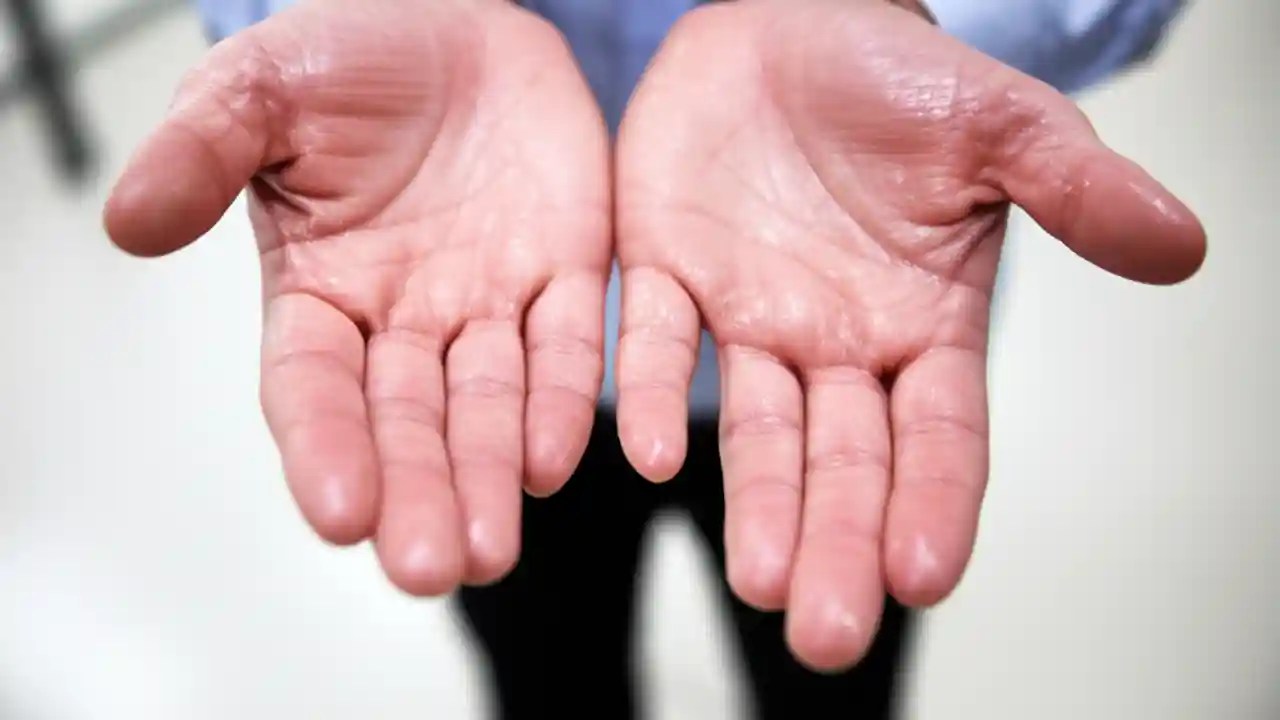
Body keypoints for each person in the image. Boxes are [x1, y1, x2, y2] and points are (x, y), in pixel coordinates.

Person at [104, 0, 1205, 717]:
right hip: (480, 328)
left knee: (829, 681)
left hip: (839, 320)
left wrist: (914, 25)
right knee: (548, 682)